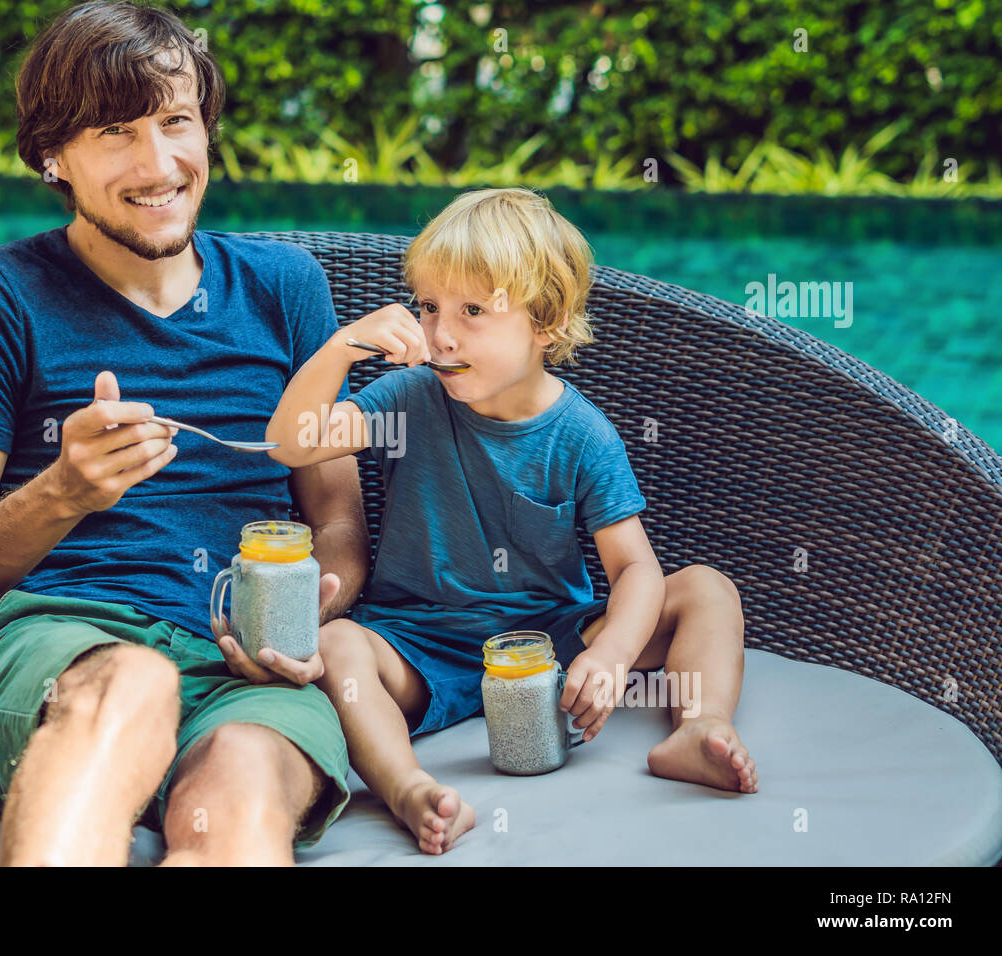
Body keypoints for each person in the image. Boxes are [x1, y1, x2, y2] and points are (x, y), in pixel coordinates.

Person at [0, 1, 369, 866]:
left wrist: (306, 615)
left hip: (251, 676)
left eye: (176, 122)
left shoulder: (284, 287)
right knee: (133, 686)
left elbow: (336, 519)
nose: (160, 164)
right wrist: (63, 495)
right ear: (52, 155)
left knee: (240, 789)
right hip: (63, 639)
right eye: (115, 131)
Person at [267, 187, 758, 855]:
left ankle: (698, 730)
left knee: (706, 588)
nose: (441, 334)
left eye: (474, 311)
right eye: (430, 307)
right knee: (342, 647)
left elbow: (634, 568)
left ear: (545, 322)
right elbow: (292, 444)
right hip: (420, 643)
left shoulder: (581, 434)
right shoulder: (410, 399)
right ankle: (409, 788)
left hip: (550, 646)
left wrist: (611, 655)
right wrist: (343, 347)